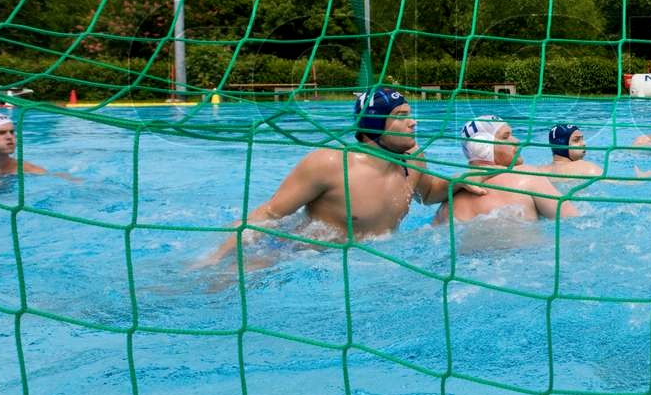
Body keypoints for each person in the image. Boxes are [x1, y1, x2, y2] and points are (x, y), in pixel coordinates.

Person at [198, 87, 463, 271]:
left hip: (369, 259)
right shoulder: (330, 163)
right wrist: (216, 256)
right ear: (374, 124)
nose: (413, 123)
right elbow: (270, 212)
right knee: (230, 280)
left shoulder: (413, 159)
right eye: (401, 116)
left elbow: (428, 195)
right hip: (300, 254)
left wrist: (461, 181)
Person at [433, 117, 578, 227]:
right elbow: (575, 221)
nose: (517, 141)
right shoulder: (526, 177)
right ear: (483, 147)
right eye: (506, 136)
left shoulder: (445, 205)